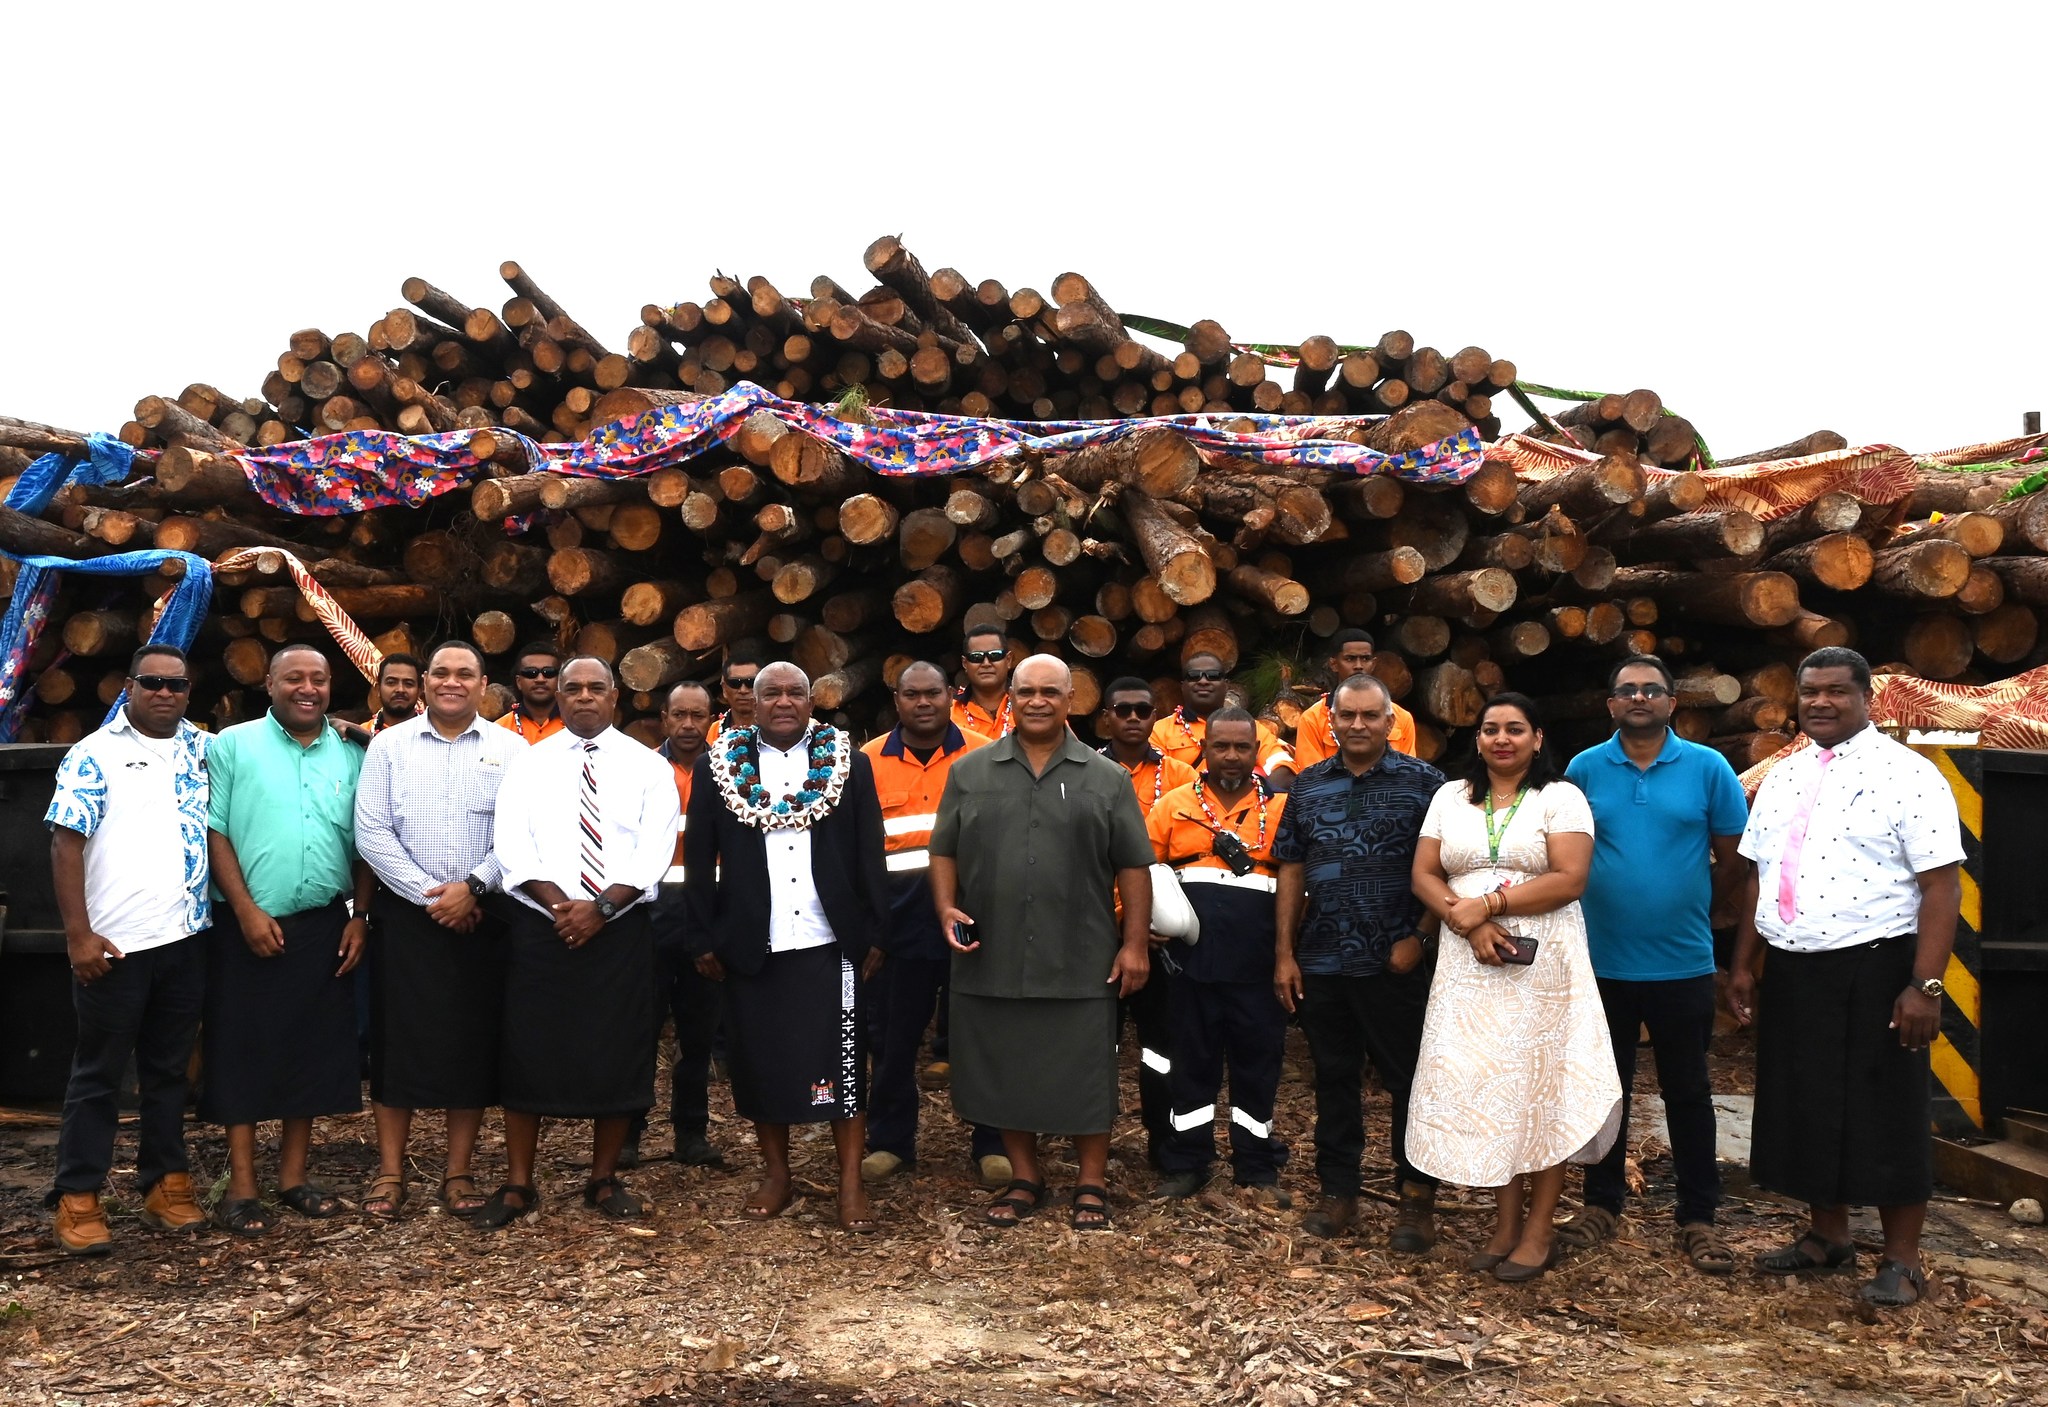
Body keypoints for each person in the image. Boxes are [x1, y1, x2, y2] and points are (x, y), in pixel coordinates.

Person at [1730, 647, 1964, 1307]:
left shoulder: (1908, 776)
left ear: (1868, 698)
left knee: (1884, 1109)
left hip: (1878, 962)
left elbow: (1941, 886)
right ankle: (1826, 1236)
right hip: (1796, 963)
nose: (1821, 702)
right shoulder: (1784, 774)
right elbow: (1759, 872)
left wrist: (1925, 984)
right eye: (1810, 691)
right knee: (1803, 1101)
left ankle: (1901, 1259)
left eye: (1836, 690)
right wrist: (1746, 961)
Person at [931, 654, 1154, 1231]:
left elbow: (1133, 866)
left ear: (1070, 699)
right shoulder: (970, 772)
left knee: (1085, 1070)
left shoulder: (1106, 779)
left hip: (1080, 953)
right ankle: (1025, 1177)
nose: (1036, 700)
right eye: (1025, 690)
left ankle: (1091, 1181)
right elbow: (944, 848)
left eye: (1049, 692)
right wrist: (945, 905)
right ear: (1011, 694)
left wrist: (1135, 945)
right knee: (1006, 1069)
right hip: (994, 951)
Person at [1408, 692, 1620, 1282]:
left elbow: (1570, 877)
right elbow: (1424, 873)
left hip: (1543, 960)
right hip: (1468, 961)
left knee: (1539, 1087)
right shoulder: (1450, 796)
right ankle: (1504, 1223)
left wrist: (1489, 905)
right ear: (1476, 739)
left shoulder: (1561, 797)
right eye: (1490, 729)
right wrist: (1465, 918)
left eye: (1515, 729)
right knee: (1492, 1087)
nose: (1502, 739)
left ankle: (1539, 1228)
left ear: (1537, 738)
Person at [1561, 655, 1750, 1274]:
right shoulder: (1584, 769)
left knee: (1688, 1091)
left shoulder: (1708, 767)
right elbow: (1565, 855)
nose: (1640, 697)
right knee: (1602, 1089)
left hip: (1682, 961)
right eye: (1627, 690)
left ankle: (1698, 1216)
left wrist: (1696, 906)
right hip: (1600, 961)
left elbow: (1736, 859)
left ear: (1673, 702)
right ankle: (1601, 1204)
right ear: (1610, 704)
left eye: (1652, 689)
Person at [685, 663, 889, 1233]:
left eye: (793, 692)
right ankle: (778, 1173)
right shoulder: (717, 765)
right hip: (753, 940)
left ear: (811, 701)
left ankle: (850, 1185)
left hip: (833, 939)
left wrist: (877, 930)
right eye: (769, 692)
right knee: (759, 1061)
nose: (781, 701)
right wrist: (701, 935)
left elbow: (870, 848)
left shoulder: (850, 763)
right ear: (751, 701)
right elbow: (699, 859)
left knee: (844, 1064)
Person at [484, 657, 680, 1227]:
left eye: (597, 688)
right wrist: (561, 908)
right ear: (559, 698)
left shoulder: (648, 767)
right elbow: (511, 844)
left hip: (618, 930)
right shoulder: (527, 764)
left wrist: (602, 909)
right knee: (528, 1048)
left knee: (616, 1049)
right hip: (543, 927)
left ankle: (603, 1177)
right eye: (574, 689)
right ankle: (519, 1183)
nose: (584, 697)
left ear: (615, 697)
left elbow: (654, 851)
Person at [42, 646, 212, 1254]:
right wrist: (77, 935)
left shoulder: (203, 749)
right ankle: (78, 1195)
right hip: (113, 946)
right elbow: (66, 844)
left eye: (176, 685)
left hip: (185, 940)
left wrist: (353, 729)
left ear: (189, 691)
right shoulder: (94, 754)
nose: (164, 693)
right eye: (152, 683)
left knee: (169, 1072)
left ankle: (164, 1184)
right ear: (130, 687)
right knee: (99, 1075)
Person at [202, 643, 373, 1235]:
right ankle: (242, 1187)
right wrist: (246, 910)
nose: (308, 688)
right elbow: (214, 831)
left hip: (325, 923)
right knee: (243, 1050)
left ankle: (294, 1178)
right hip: (247, 925)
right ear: (269, 684)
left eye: (319, 680)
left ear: (331, 687)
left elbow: (367, 843)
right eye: (294, 678)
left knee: (311, 1053)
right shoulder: (232, 746)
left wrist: (360, 917)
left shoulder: (351, 754)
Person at [1273, 672, 1446, 1249]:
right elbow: (1291, 869)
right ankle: (1337, 1191)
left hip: (1394, 959)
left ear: (1390, 721)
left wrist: (1420, 939)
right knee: (1334, 1078)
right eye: (1347, 715)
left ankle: (1416, 1200)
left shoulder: (1426, 784)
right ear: (1331, 720)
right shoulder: (1308, 785)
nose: (1358, 725)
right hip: (1322, 957)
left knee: (1408, 1082)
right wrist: (1285, 955)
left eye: (1370, 715)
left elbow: (1445, 868)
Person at [353, 641, 519, 1221]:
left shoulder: (512, 749)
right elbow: (371, 833)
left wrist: (472, 888)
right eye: (441, 673)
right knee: (398, 1040)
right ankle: (390, 1172)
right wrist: (435, 896)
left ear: (483, 683)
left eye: (464, 674)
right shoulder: (389, 746)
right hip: (409, 915)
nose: (452, 682)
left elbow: (522, 834)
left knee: (470, 1044)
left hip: (486, 914)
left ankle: (458, 1170)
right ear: (423, 681)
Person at [857, 663, 1009, 1188]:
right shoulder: (867, 761)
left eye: (933, 694)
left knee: (981, 1035)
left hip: (970, 915)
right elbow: (856, 852)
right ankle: (891, 1141)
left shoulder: (986, 754)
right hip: (896, 924)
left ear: (952, 696)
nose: (923, 703)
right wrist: (870, 928)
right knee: (892, 1040)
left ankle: (992, 1143)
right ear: (896, 700)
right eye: (911, 694)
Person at [1147, 708, 1291, 1204]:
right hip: (1190, 966)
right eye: (1220, 746)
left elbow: (1300, 882)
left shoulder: (1284, 808)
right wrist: (1139, 922)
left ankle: (1255, 1166)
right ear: (1204, 750)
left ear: (1257, 752)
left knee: (1258, 1065)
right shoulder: (1172, 806)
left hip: (1259, 966)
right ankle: (1187, 1161)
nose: (1231, 756)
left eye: (1242, 747)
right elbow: (1140, 870)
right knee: (1189, 1064)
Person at [622, 679, 727, 1171]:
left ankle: (692, 1133)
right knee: (638, 1035)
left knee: (697, 1039)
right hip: (648, 920)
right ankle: (627, 1134)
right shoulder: (642, 771)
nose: (689, 725)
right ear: (662, 719)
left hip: (706, 922)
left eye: (698, 716)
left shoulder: (729, 771)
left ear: (711, 719)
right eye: (679, 715)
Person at [1097, 676, 1199, 1167]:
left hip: (1159, 937)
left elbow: (1180, 855)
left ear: (1155, 716)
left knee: (1161, 1046)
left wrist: (1152, 921)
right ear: (1107, 717)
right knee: (1095, 1042)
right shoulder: (1084, 771)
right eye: (1123, 710)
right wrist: (1119, 920)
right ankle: (1087, 1138)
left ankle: (1163, 1139)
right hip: (1095, 931)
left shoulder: (1182, 775)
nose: (1134, 718)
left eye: (1143, 710)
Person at [1150, 653, 1295, 790]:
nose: (1203, 681)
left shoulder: (1250, 729)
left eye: (1213, 676)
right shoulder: (1159, 731)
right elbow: (1154, 781)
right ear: (1183, 686)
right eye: (1194, 676)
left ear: (1226, 685)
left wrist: (1252, 798)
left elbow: (1284, 768)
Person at [1288, 631, 1418, 765]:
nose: (1358, 666)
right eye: (1350, 659)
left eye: (1365, 659)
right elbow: (1312, 779)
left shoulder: (1401, 718)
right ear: (1334, 664)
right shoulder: (1312, 719)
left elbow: (1410, 775)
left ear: (1373, 664)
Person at [951, 623, 1016, 738]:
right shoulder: (949, 712)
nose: (986, 663)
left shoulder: (1026, 704)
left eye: (995, 655)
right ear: (965, 663)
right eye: (976, 657)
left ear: (1008, 660)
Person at [495, 641, 565, 745]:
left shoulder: (578, 727)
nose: (540, 679)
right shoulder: (498, 730)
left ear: (559, 680)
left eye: (548, 672)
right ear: (519, 682)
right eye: (531, 673)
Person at [706, 646, 765, 745]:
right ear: (724, 689)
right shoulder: (714, 730)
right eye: (735, 683)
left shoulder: (776, 728)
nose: (743, 690)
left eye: (751, 682)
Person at [370, 652, 423, 734]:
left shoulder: (435, 734)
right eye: (391, 682)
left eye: (408, 684)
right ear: (378, 689)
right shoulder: (361, 734)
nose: (400, 689)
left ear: (419, 691)